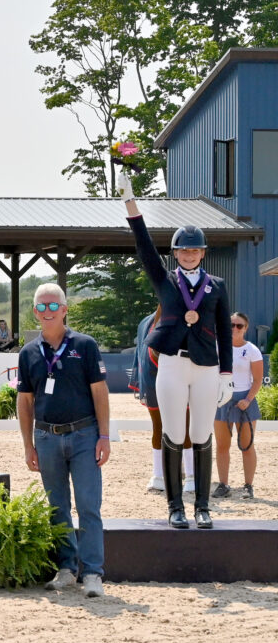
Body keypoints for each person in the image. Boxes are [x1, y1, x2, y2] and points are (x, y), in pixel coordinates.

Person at [121, 173, 233, 529]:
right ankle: (174, 507)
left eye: (195, 249)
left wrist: (227, 373)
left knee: (201, 433)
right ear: (176, 253)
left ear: (203, 252)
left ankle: (202, 505)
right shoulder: (164, 280)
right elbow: (143, 246)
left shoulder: (217, 286)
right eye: (183, 249)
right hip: (170, 364)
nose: (189, 254)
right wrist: (131, 205)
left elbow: (224, 334)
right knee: (172, 432)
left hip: (205, 367)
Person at [17, 283, 109, 598]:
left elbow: (100, 392)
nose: (47, 312)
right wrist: (28, 445)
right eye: (41, 307)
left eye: (53, 306)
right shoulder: (28, 353)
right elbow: (25, 401)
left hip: (84, 435)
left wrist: (105, 436)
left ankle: (93, 573)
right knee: (57, 508)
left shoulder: (85, 346)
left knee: (88, 505)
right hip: (46, 438)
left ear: (65, 309)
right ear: (34, 312)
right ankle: (67, 569)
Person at [129, 307, 195, 494]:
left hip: (183, 366)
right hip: (153, 371)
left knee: (187, 426)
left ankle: (191, 475)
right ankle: (158, 475)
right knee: (158, 426)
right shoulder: (147, 323)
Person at [213, 312, 263, 500]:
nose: (234, 329)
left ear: (246, 328)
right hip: (222, 400)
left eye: (239, 326)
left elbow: (257, 380)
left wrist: (248, 400)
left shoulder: (252, 350)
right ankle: (223, 484)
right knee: (222, 446)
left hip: (245, 401)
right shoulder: (218, 348)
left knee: (246, 445)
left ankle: (248, 486)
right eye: (232, 325)